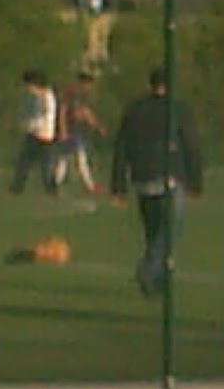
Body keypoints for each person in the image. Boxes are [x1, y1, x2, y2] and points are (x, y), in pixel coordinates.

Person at [110, 67, 204, 297]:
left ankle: (160, 281)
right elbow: (191, 145)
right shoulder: (178, 110)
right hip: (169, 177)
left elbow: (121, 147)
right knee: (171, 229)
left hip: (142, 178)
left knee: (154, 232)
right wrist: (195, 180)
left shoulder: (134, 109)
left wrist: (119, 186)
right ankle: (149, 268)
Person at [54, 72, 106, 194]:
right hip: (71, 130)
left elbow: (85, 113)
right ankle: (89, 185)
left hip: (75, 129)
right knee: (75, 158)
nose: (91, 88)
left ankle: (55, 184)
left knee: (66, 158)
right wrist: (63, 130)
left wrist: (97, 126)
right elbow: (64, 111)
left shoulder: (79, 95)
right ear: (83, 83)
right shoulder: (72, 94)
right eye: (89, 85)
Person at [10, 69, 59, 196]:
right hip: (33, 136)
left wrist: (28, 126)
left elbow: (43, 117)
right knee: (23, 164)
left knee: (46, 169)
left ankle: (51, 191)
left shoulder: (47, 97)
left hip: (44, 138)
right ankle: (16, 188)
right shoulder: (35, 97)